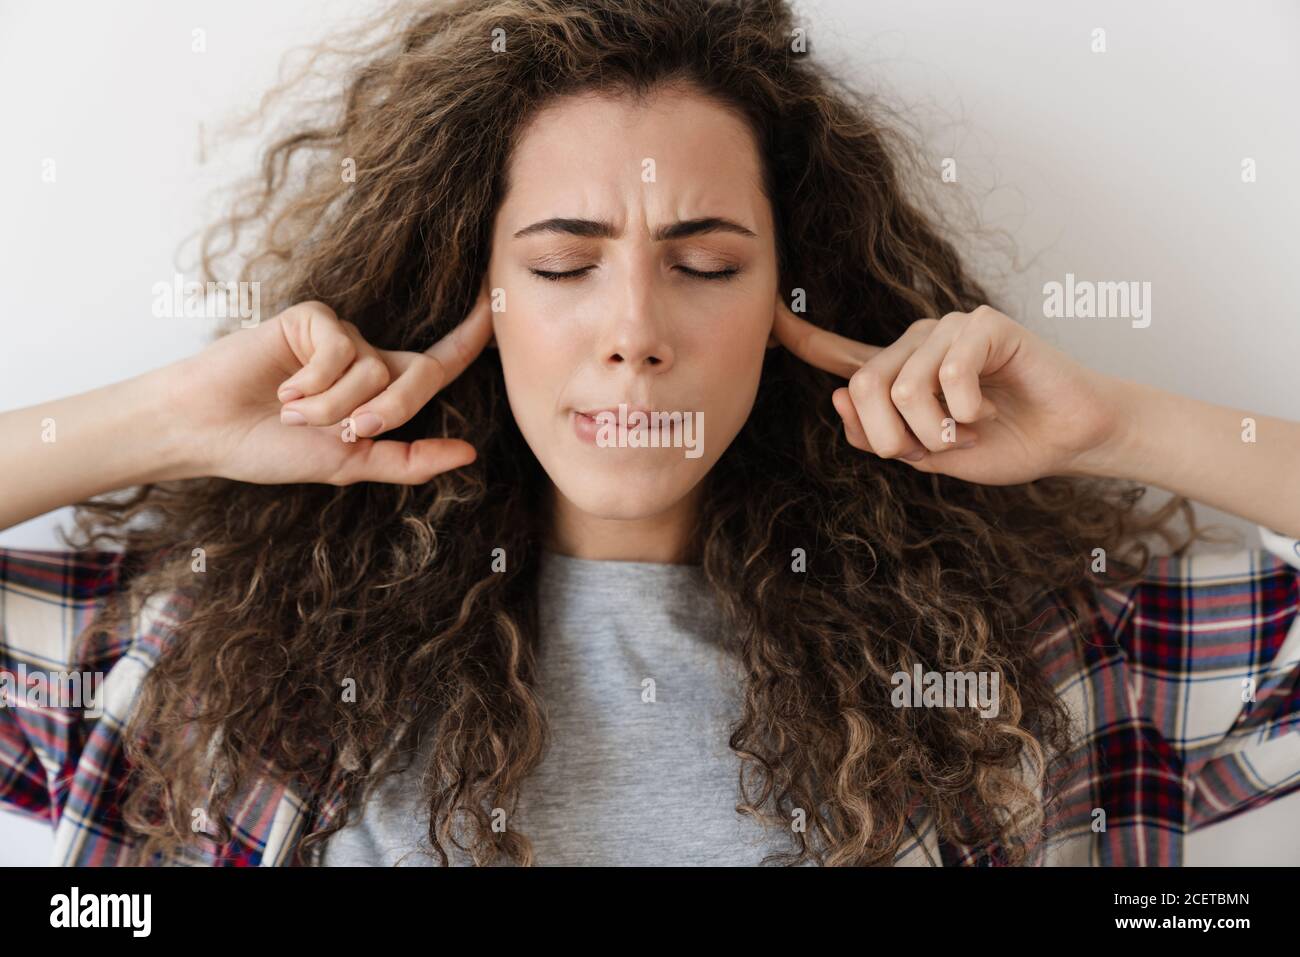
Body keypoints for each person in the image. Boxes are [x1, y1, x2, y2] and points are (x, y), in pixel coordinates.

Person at [1, 0, 1297, 867]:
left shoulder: (1031, 663)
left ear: (796, 297)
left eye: (708, 263)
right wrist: (165, 418)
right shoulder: (198, 655)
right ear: (475, 299)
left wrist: (1114, 422)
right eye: (564, 265)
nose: (634, 327)